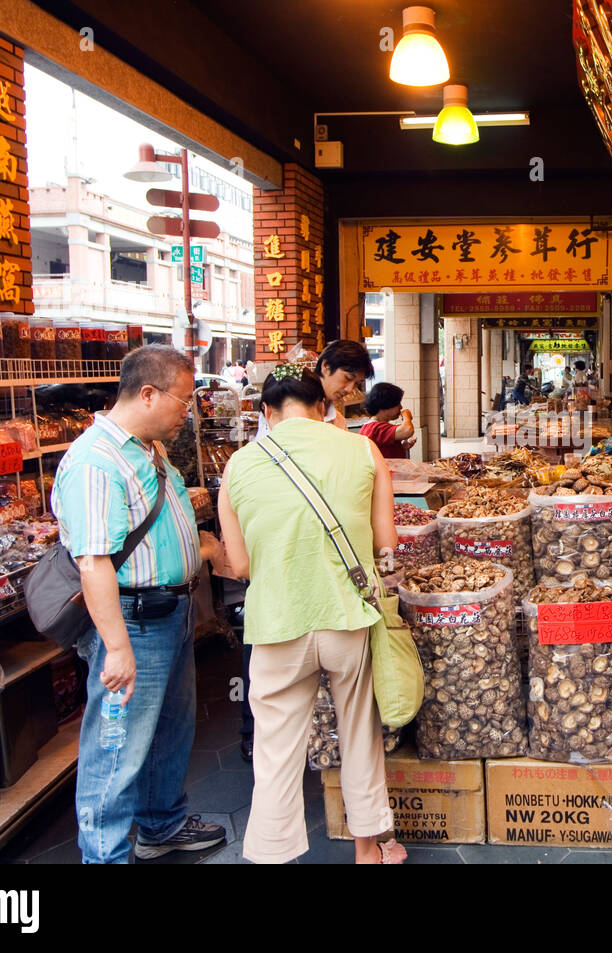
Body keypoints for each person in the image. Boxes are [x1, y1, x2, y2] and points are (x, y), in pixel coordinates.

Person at [217, 362, 407, 865]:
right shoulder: (362, 448)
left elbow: (239, 566)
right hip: (347, 618)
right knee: (359, 734)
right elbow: (386, 546)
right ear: (324, 409)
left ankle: (272, 853)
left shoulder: (239, 465)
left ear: (266, 412)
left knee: (275, 751)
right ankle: (369, 850)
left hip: (277, 623)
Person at [51, 345, 227, 864]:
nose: (187, 411)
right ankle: (103, 856)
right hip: (132, 621)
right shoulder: (95, 461)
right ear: (148, 394)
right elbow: (94, 563)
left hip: (170, 612)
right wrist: (116, 648)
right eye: (182, 399)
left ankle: (161, 825)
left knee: (171, 730)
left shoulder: (149, 449)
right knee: (116, 748)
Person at [360, 382, 416, 459]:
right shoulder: (374, 428)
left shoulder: (378, 426)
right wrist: (406, 416)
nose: (401, 407)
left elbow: (385, 449)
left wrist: (404, 446)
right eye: (397, 404)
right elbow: (407, 430)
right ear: (385, 405)